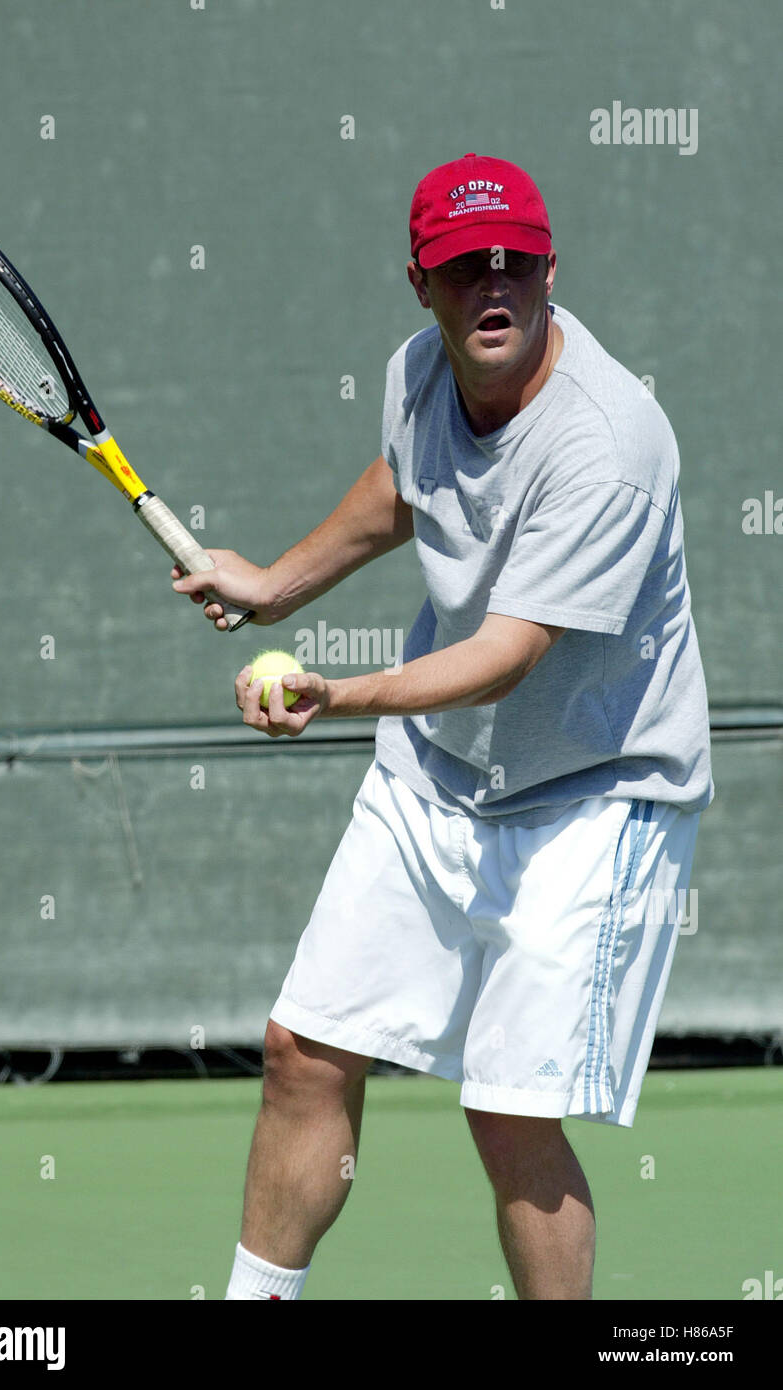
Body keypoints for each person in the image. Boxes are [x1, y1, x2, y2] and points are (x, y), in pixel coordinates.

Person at [172, 153, 713, 1300]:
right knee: (304, 1051)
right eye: (464, 267)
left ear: (551, 268)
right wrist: (275, 582)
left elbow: (505, 657)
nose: (492, 284)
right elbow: (401, 484)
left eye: (513, 260)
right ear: (420, 284)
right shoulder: (419, 369)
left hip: (593, 793)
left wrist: (337, 692)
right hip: (438, 778)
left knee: (508, 1108)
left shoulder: (608, 444)